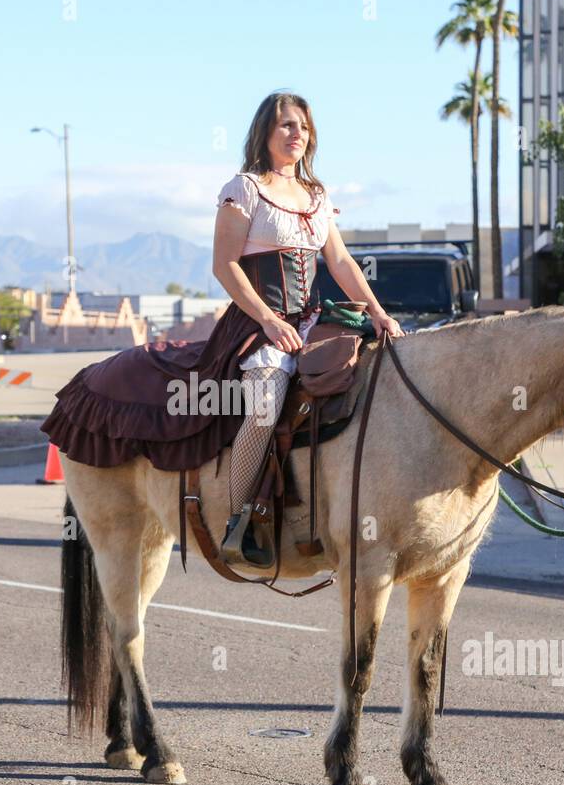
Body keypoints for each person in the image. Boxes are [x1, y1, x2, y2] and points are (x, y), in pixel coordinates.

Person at [38, 91, 402, 567]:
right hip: (257, 323)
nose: (297, 135)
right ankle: (240, 518)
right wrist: (269, 320)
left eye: (304, 128)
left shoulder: (317, 195)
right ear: (266, 134)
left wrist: (377, 311)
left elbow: (339, 260)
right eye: (287, 126)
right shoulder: (244, 188)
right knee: (266, 403)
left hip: (314, 319)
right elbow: (224, 265)